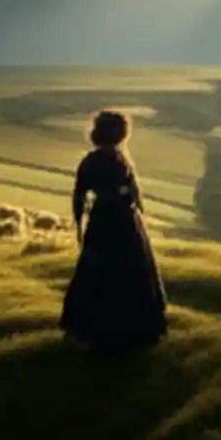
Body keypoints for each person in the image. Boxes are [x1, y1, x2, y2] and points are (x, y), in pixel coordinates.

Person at [60, 110, 167, 351]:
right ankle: (134, 328)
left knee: (100, 270)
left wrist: (80, 223)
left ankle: (95, 327)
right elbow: (132, 191)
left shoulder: (94, 160)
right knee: (131, 269)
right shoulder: (120, 159)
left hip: (105, 220)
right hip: (123, 221)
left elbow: (79, 195)